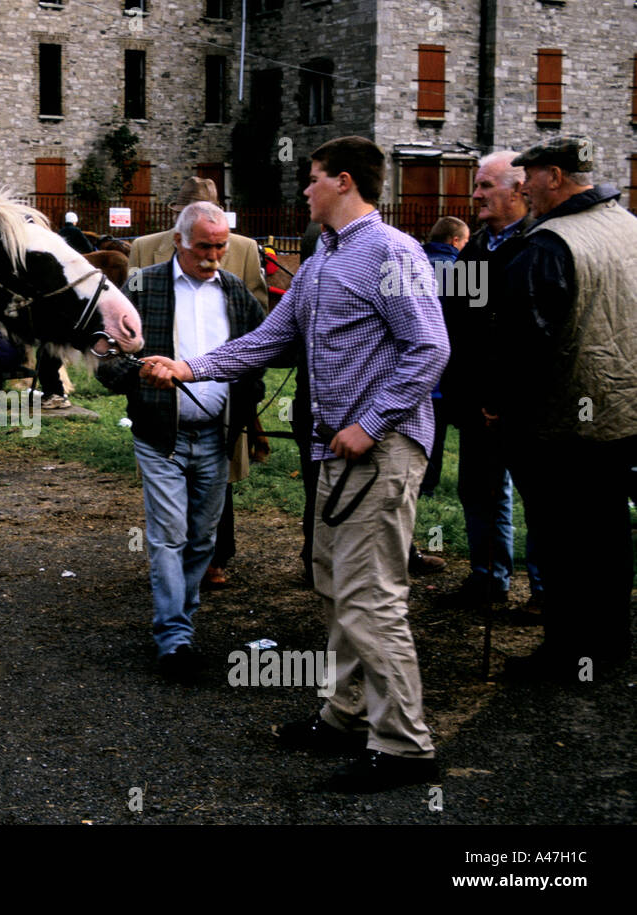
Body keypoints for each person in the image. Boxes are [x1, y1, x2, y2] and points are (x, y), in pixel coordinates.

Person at [141, 137, 448, 791]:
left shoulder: (391, 251)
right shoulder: (324, 257)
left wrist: (369, 424)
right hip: (335, 449)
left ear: (342, 182)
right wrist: (188, 366)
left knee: (371, 598)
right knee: (338, 589)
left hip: (379, 449)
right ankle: (343, 715)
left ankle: (405, 746)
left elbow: (429, 347)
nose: (303, 191)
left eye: (310, 180)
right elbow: (270, 338)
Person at [96, 201, 266, 682]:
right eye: (203, 247)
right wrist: (141, 373)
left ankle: (181, 621)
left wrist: (245, 406)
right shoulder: (142, 286)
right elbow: (106, 362)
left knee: (202, 539)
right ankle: (173, 638)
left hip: (215, 434)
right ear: (178, 242)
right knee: (168, 536)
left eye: (221, 247)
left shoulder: (235, 293)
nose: (213, 256)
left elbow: (260, 353)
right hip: (160, 437)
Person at [488, 136, 637, 681]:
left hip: (563, 424)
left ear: (554, 175)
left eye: (528, 174)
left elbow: (525, 344)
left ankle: (573, 655)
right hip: (624, 414)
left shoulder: (551, 244)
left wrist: (496, 403)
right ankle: (611, 642)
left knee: (564, 542)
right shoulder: (628, 225)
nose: (521, 185)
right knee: (609, 532)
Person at [128, 177, 270, 588]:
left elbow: (258, 310)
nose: (212, 254)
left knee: (218, 477)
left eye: (218, 242)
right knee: (169, 488)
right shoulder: (143, 248)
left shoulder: (242, 248)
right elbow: (133, 313)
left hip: (221, 387)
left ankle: (214, 557)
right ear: (179, 226)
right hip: (163, 396)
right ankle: (174, 568)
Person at [438, 152, 542, 610]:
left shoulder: (541, 244)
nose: (474, 194)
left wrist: (505, 395)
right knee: (479, 491)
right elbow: (459, 323)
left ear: (518, 190)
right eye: (476, 186)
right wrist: (470, 392)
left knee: (538, 498)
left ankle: (544, 593)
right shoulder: (477, 248)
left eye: (485, 186)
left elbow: (533, 333)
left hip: (527, 403)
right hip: (476, 402)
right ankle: (488, 579)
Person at [127, 176, 268, 310]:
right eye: (188, 216)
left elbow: (257, 315)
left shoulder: (245, 249)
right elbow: (131, 303)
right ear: (175, 216)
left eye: (201, 217)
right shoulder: (143, 248)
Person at [416, 216, 468, 498]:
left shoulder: (408, 266)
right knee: (438, 430)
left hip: (411, 367)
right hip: (446, 368)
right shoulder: (465, 271)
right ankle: (428, 485)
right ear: (456, 241)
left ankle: (414, 479)